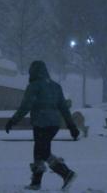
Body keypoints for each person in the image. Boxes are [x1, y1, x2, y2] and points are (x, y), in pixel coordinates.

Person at [5, 60, 80, 191]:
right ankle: (36, 182)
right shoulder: (56, 86)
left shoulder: (34, 86)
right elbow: (63, 108)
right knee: (39, 151)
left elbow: (25, 106)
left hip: (41, 123)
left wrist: (13, 121)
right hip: (54, 124)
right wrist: (72, 127)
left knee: (43, 152)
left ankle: (66, 173)